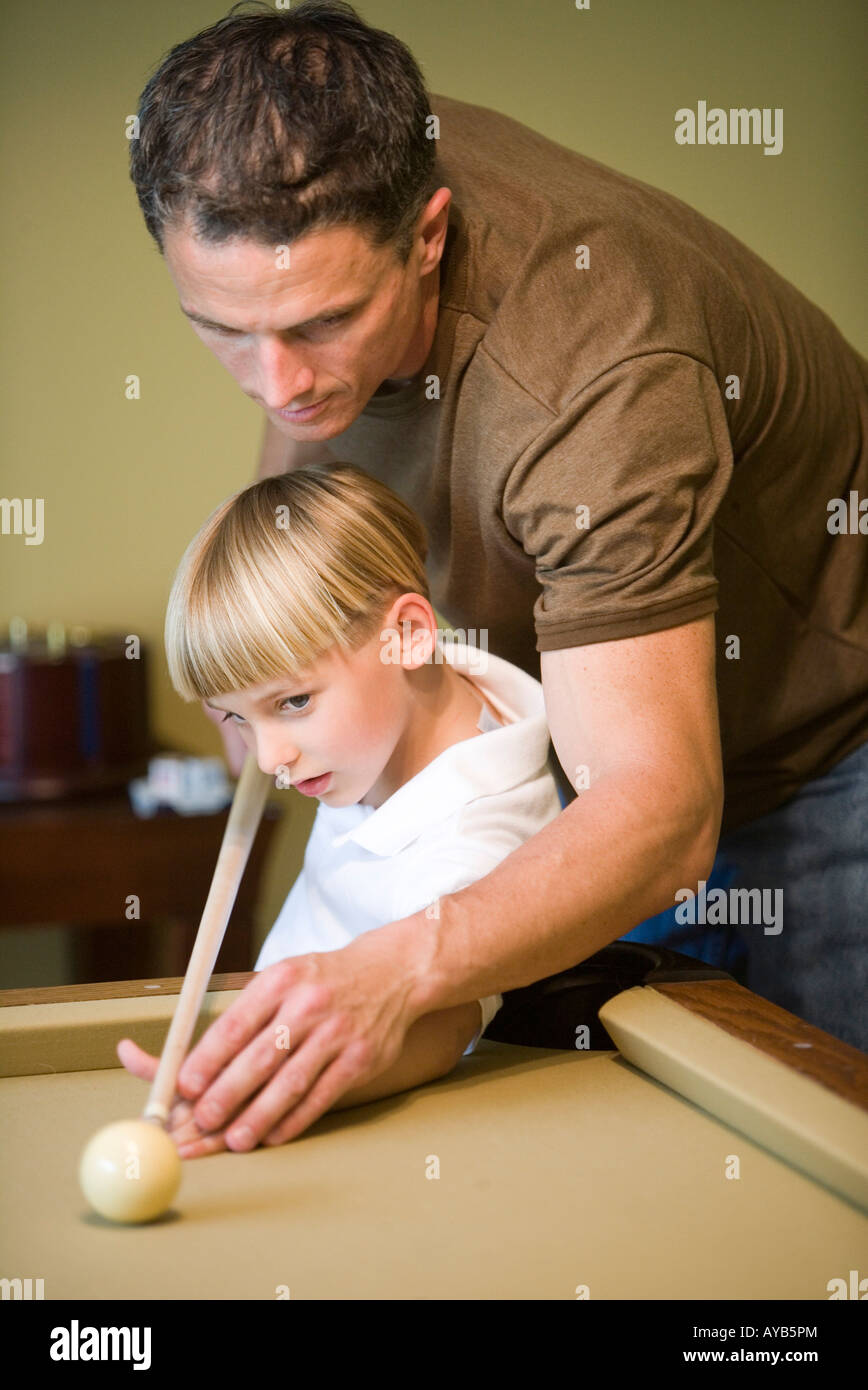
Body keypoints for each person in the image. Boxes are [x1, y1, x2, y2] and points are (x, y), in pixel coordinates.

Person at [124, 0, 867, 1150]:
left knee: (814, 1152)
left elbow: (661, 812)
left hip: (827, 741)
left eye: (323, 324)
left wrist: (390, 975)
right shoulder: (319, 156)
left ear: (427, 237)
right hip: (614, 745)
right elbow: (297, 426)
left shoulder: (594, 368)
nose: (274, 386)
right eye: (222, 328)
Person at [118, 465, 562, 1154]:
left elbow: (443, 1028)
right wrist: (258, 707)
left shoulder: (481, 832)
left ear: (409, 634)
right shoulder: (393, 715)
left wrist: (266, 1082)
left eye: (293, 702)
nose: (268, 761)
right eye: (235, 717)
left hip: (401, 1149)